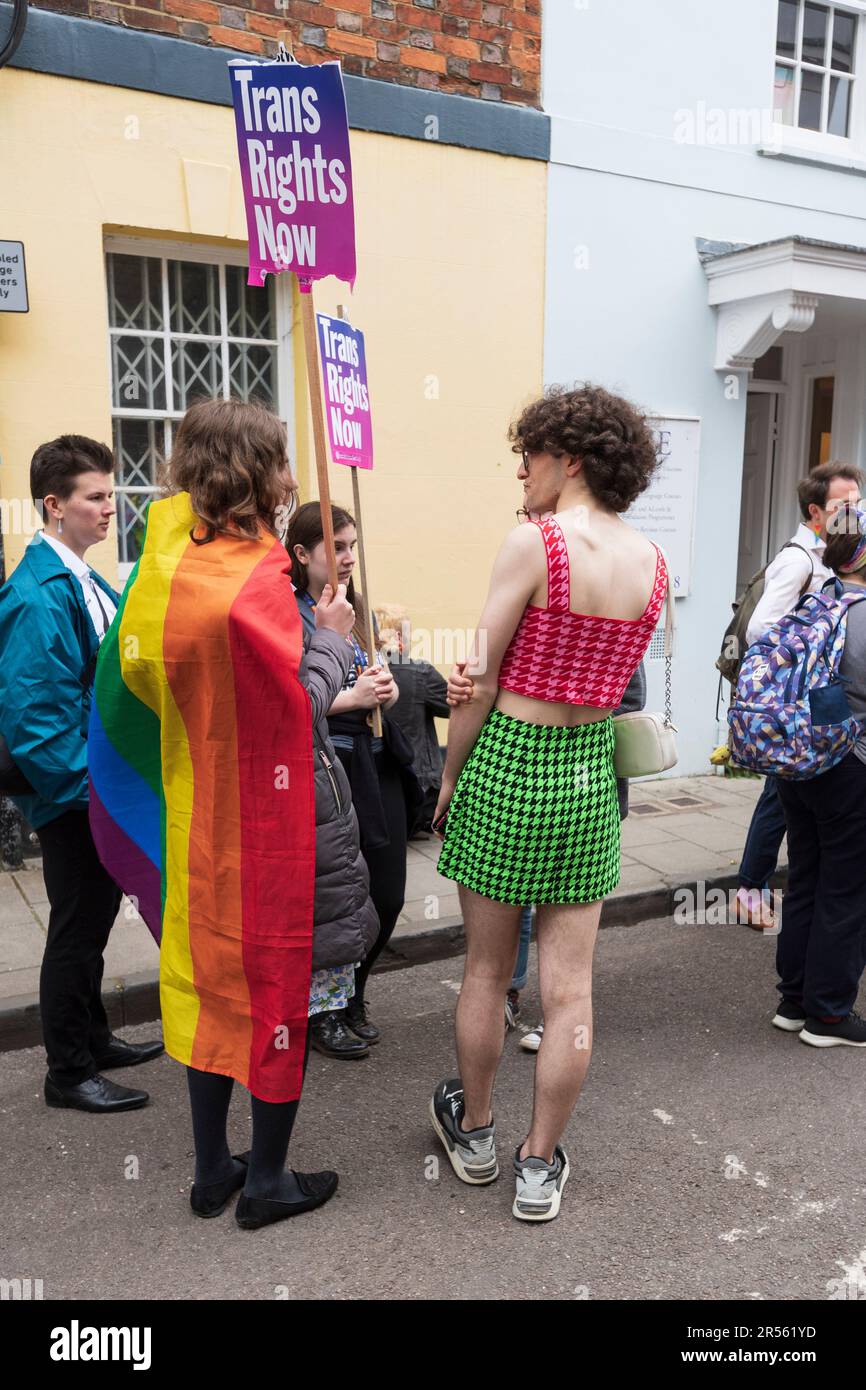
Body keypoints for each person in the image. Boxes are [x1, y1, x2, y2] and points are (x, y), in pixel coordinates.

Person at [88, 400, 378, 1229]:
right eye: (281, 462)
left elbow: (140, 677)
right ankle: (268, 1184)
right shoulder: (254, 580)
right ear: (259, 473)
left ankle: (214, 1168)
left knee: (212, 991)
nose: (291, 479)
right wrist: (327, 637)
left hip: (198, 821)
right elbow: (296, 706)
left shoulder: (169, 559)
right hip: (269, 832)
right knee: (278, 996)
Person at [429, 383, 667, 1222]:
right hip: (589, 775)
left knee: (489, 973)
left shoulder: (535, 542)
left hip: (512, 763)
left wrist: (451, 775)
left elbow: (480, 678)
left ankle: (479, 1133)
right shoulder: (651, 561)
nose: (520, 472)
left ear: (568, 458)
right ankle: (539, 1167)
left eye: (526, 456)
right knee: (571, 989)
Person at [0, 435, 163, 1114]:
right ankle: (67, 1071)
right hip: (72, 797)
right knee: (74, 926)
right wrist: (90, 796)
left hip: (89, 790)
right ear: (53, 504)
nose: (108, 509)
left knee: (92, 919)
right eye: (95, 497)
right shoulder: (37, 595)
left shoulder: (79, 576)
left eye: (110, 495)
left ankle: (93, 1039)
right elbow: (34, 716)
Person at [449, 656, 647, 1052]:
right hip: (549, 787)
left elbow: (631, 697)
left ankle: (538, 1022)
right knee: (520, 926)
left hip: (561, 779)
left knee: (536, 970)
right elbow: (483, 684)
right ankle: (511, 995)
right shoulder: (627, 596)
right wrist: (465, 688)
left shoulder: (552, 609)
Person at [287, 504, 421, 1056]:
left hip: (372, 762)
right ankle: (325, 1012)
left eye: (352, 546)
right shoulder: (289, 611)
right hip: (323, 771)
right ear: (302, 553)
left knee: (386, 893)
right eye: (336, 547)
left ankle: (354, 993)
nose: (347, 558)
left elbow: (361, 678)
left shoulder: (355, 607)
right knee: (334, 901)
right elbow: (295, 701)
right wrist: (353, 697)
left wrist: (382, 685)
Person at [734, 462, 862, 932]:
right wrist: (811, 639)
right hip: (799, 703)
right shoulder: (800, 559)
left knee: (783, 795)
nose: (853, 512)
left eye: (857, 504)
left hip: (810, 705)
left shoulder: (834, 554)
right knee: (779, 796)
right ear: (815, 511)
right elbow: (760, 628)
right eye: (843, 506)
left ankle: (753, 888)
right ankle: (750, 888)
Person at [772, 501, 866, 1048]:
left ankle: (794, 999)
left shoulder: (814, 602)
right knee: (847, 887)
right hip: (851, 765)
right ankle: (829, 1016)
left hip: (800, 763)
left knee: (806, 876)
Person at [374, 602, 450, 833]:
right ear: (399, 635)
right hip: (421, 785)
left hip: (381, 781)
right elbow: (452, 708)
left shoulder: (366, 670)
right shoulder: (419, 672)